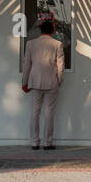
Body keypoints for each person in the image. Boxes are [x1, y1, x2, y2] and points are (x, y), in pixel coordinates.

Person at [22, 17, 65, 150]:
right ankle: (47, 142)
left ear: (40, 30)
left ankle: (35, 142)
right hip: (51, 82)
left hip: (34, 81)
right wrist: (59, 80)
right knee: (49, 113)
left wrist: (25, 82)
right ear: (52, 30)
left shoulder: (30, 44)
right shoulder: (57, 44)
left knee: (35, 112)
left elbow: (27, 64)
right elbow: (61, 65)